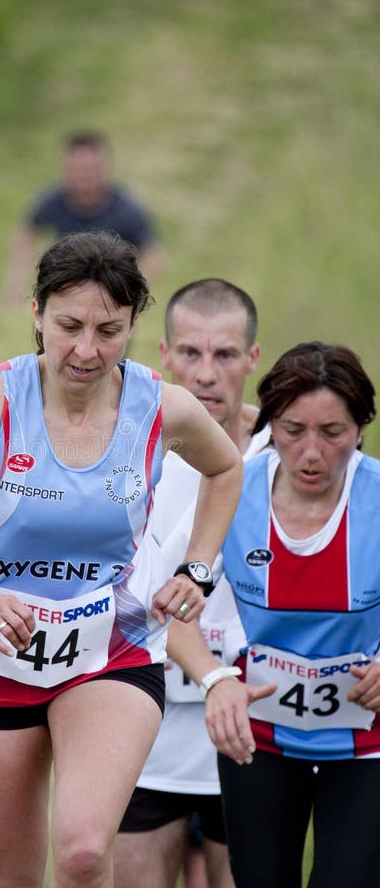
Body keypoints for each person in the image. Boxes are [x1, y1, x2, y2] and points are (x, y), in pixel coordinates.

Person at [0, 230, 243, 888]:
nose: (87, 350)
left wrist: (196, 567)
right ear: (35, 313)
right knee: (13, 876)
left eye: (109, 330)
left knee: (83, 853)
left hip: (112, 648)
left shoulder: (160, 407)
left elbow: (226, 469)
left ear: (133, 323)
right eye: (69, 325)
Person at [170, 341, 380, 888]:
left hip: (367, 743)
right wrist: (215, 681)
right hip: (259, 739)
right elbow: (173, 610)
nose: (311, 453)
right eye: (292, 430)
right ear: (268, 425)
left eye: (332, 433)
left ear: (360, 428)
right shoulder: (232, 487)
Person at [114, 278, 267, 888]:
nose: (207, 374)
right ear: (164, 354)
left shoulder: (289, 455)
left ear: (252, 359)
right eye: (191, 355)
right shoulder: (124, 456)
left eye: (225, 355)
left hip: (249, 733)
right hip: (144, 731)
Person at [0, 130, 165, 305]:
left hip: (109, 296)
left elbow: (153, 254)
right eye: (78, 169)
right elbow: (27, 231)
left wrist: (129, 291)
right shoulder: (53, 201)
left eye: (91, 168)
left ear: (105, 167)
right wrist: (17, 278)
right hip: (65, 291)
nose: (85, 175)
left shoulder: (127, 208)